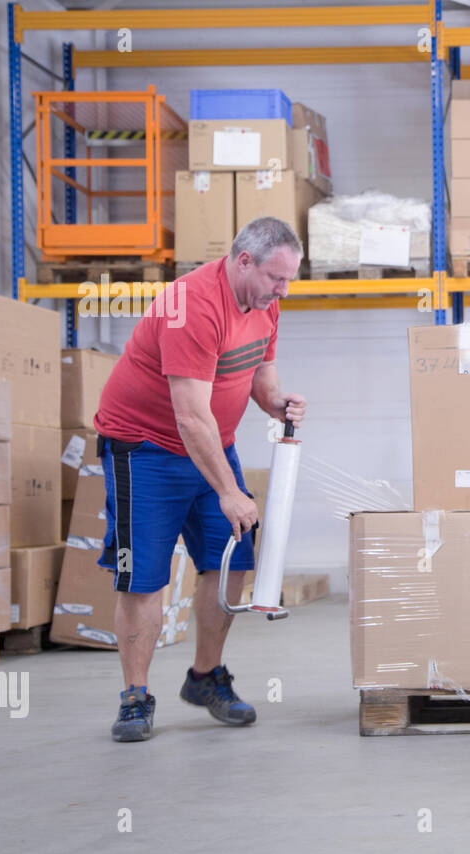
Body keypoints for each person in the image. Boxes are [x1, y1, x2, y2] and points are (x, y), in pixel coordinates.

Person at [92, 216, 307, 742]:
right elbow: (190, 416)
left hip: (213, 444)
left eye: (289, 280)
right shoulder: (190, 307)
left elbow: (260, 375)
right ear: (243, 262)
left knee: (230, 559)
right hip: (145, 449)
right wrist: (229, 491)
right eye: (276, 279)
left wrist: (276, 402)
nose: (283, 291)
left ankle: (205, 677)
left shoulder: (264, 304)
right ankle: (135, 698)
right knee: (143, 576)